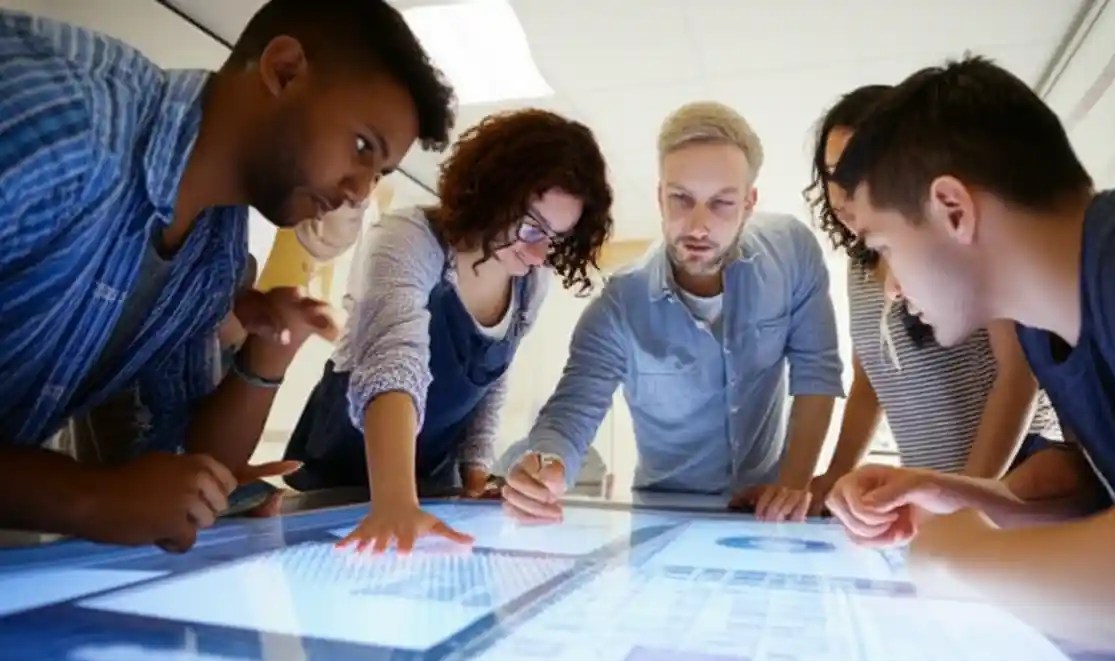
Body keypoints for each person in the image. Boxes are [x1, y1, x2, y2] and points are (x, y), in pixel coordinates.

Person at [825, 56, 1115, 661]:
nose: (895, 289)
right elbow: (1106, 496)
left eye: (884, 246)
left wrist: (965, 560)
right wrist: (955, 495)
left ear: (953, 209)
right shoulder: (1048, 333)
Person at [0, 0, 455, 552]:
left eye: (378, 172)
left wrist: (267, 356)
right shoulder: (69, 116)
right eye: (362, 147)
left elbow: (185, 464)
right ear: (283, 69)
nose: (359, 192)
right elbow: (109, 493)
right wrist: (87, 498)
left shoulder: (214, 261)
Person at [286, 109, 614, 552]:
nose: (539, 253)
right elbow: (394, 365)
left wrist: (476, 474)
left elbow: (491, 381)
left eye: (555, 239)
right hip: (335, 474)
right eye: (531, 226)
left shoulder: (530, 282)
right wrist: (395, 501)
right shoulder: (409, 237)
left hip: (431, 483)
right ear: (495, 192)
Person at [503, 101, 844, 524]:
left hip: (767, 507)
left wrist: (792, 485)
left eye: (721, 203)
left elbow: (818, 372)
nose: (698, 226)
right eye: (682, 199)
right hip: (664, 512)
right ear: (660, 197)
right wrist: (547, 464)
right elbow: (573, 410)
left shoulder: (792, 252)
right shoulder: (619, 306)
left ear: (749, 203)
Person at [806, 86, 1060, 509]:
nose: (845, 192)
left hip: (1017, 475)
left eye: (860, 170)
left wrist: (969, 496)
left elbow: (1019, 373)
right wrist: (835, 475)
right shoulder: (858, 266)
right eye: (834, 173)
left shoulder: (960, 244)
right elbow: (870, 381)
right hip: (931, 485)